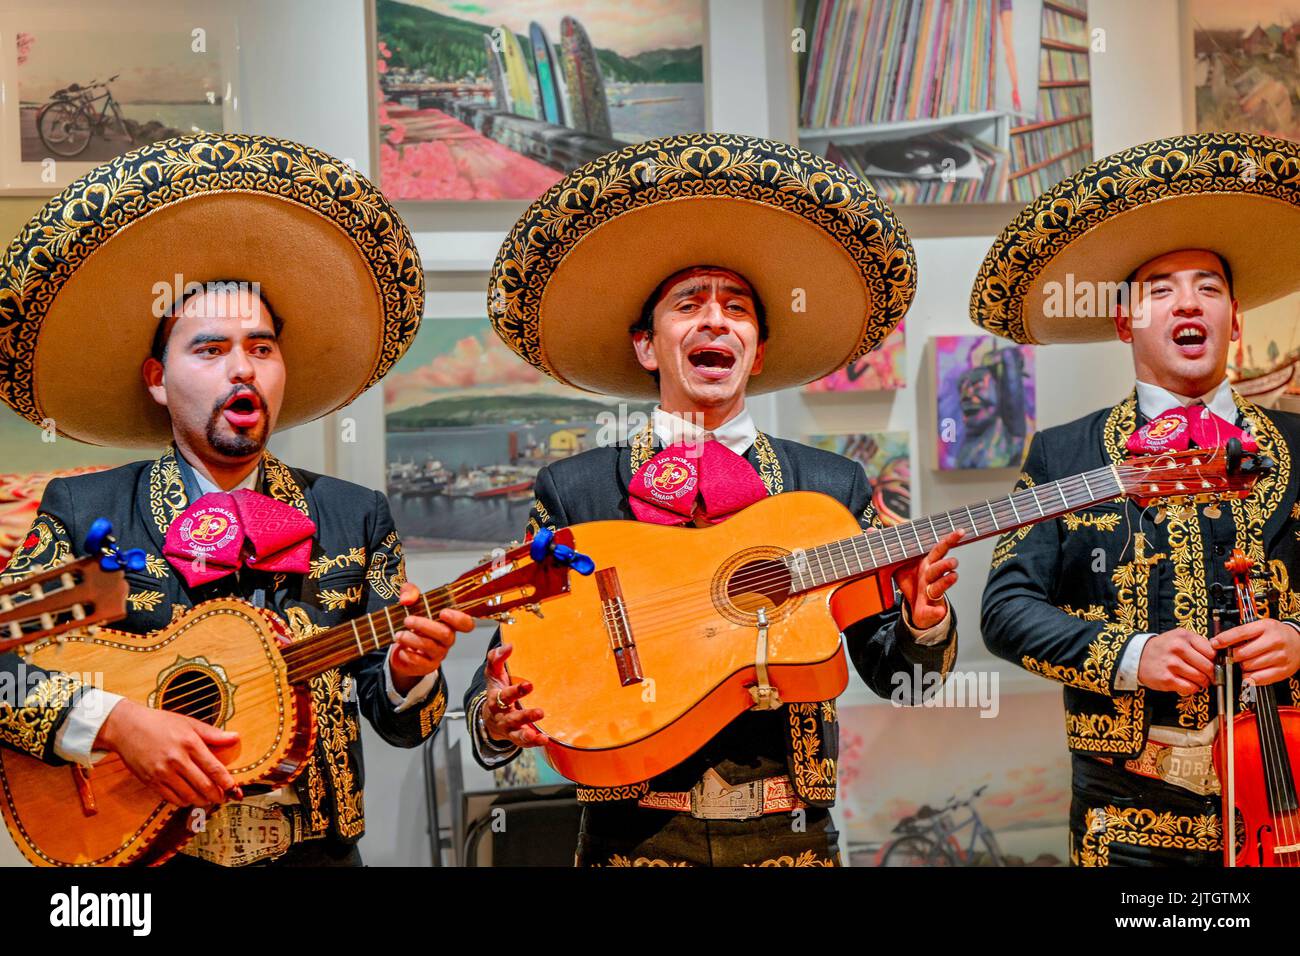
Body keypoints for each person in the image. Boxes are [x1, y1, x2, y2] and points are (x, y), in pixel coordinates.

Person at [465, 133, 962, 866]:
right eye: (687, 304)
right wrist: (495, 719)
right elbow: (510, 658)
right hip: (630, 837)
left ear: (755, 350)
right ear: (647, 345)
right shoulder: (577, 489)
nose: (714, 319)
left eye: (737, 307)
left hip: (789, 839)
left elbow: (900, 681)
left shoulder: (829, 488)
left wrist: (925, 623)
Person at [0, 133, 474, 866]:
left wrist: (412, 673)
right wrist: (116, 721)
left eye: (261, 348)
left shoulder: (353, 516)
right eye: (209, 349)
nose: (241, 369)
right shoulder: (86, 511)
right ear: (157, 378)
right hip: (141, 852)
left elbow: (398, 723)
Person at [972, 131, 1300, 866]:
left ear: (1235, 317)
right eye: (1161, 290)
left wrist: (1299, 640)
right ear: (1125, 321)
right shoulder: (1065, 451)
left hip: (1289, 807)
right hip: (1128, 825)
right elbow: (1005, 610)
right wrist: (1130, 654)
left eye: (1209, 288)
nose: (1189, 303)